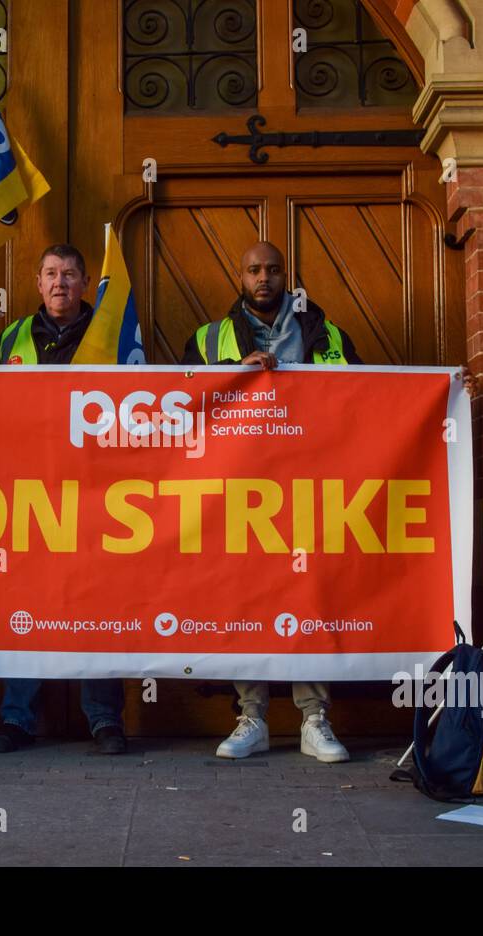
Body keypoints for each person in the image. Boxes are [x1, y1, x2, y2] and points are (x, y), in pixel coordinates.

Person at [181, 240, 359, 762]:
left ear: (287, 276)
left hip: (308, 488)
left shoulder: (327, 336)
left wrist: (445, 391)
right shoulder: (209, 339)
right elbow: (182, 402)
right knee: (245, 598)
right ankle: (251, 717)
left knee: (309, 598)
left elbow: (373, 398)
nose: (264, 278)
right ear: (239, 277)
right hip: (237, 490)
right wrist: (235, 371)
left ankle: (314, 719)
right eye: (254, 270)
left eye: (273, 270)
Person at [0, 243, 128, 755]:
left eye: (70, 275)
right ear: (37, 282)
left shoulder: (113, 337)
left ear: (85, 282)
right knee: (26, 606)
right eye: (51, 274)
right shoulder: (7, 337)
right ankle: (17, 718)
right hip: (27, 496)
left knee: (98, 608)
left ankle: (105, 719)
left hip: (99, 496)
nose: (60, 284)